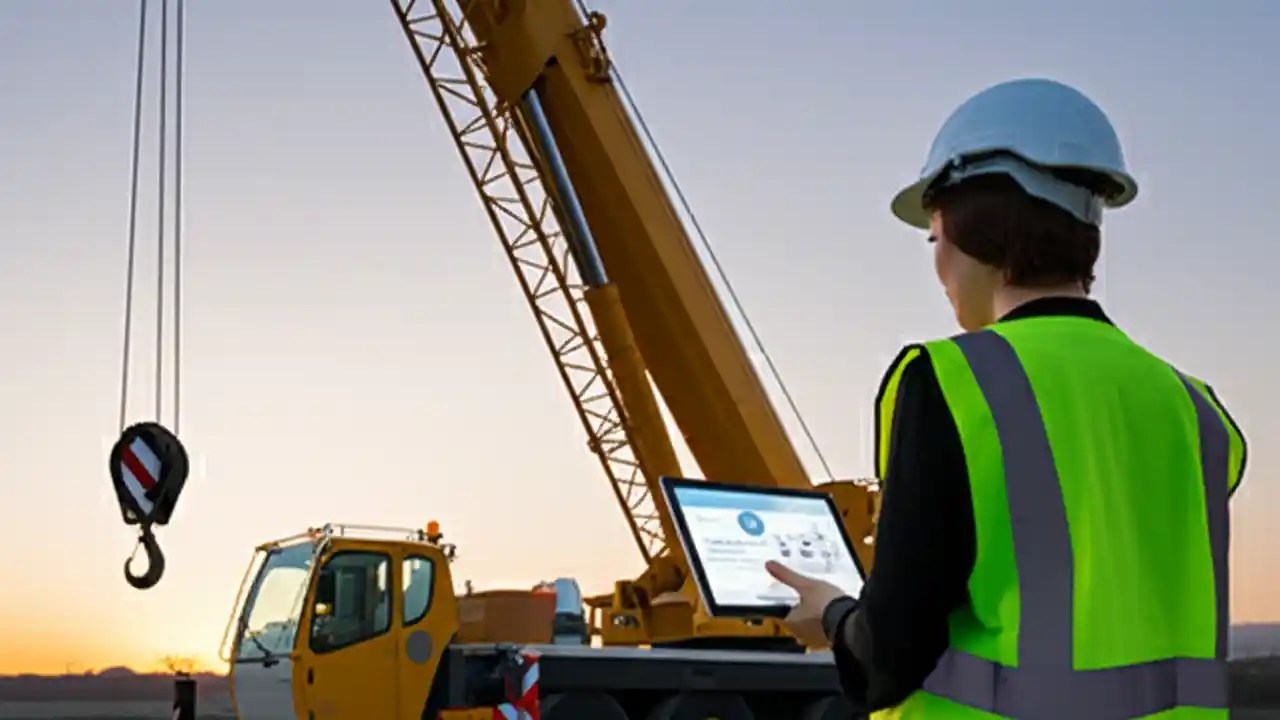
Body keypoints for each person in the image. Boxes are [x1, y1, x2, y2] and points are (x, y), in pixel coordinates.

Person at [765, 77, 1248, 719]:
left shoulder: (953, 381)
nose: (937, 264)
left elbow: (891, 653)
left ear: (974, 229)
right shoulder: (1196, 409)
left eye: (934, 237)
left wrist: (830, 614)